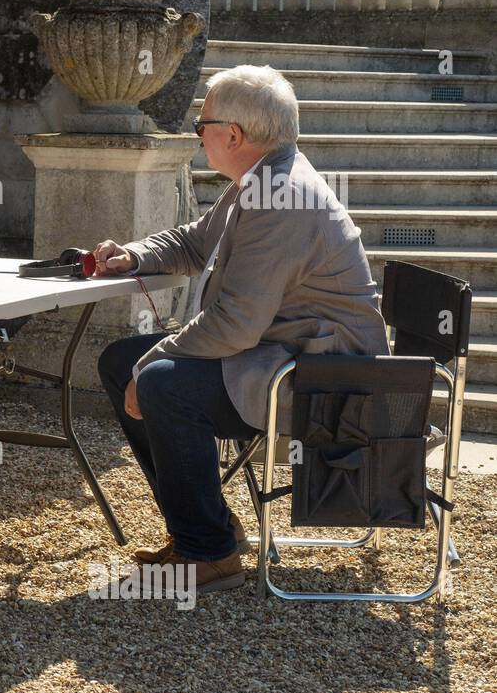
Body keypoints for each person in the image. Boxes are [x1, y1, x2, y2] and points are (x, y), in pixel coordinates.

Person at [93, 64, 389, 593]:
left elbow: (234, 325)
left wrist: (151, 364)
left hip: (323, 381)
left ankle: (209, 551)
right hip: (280, 358)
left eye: (202, 123)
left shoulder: (279, 196)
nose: (197, 133)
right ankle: (206, 527)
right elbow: (192, 243)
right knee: (121, 362)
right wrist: (131, 256)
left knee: (159, 382)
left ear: (234, 134)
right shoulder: (261, 179)